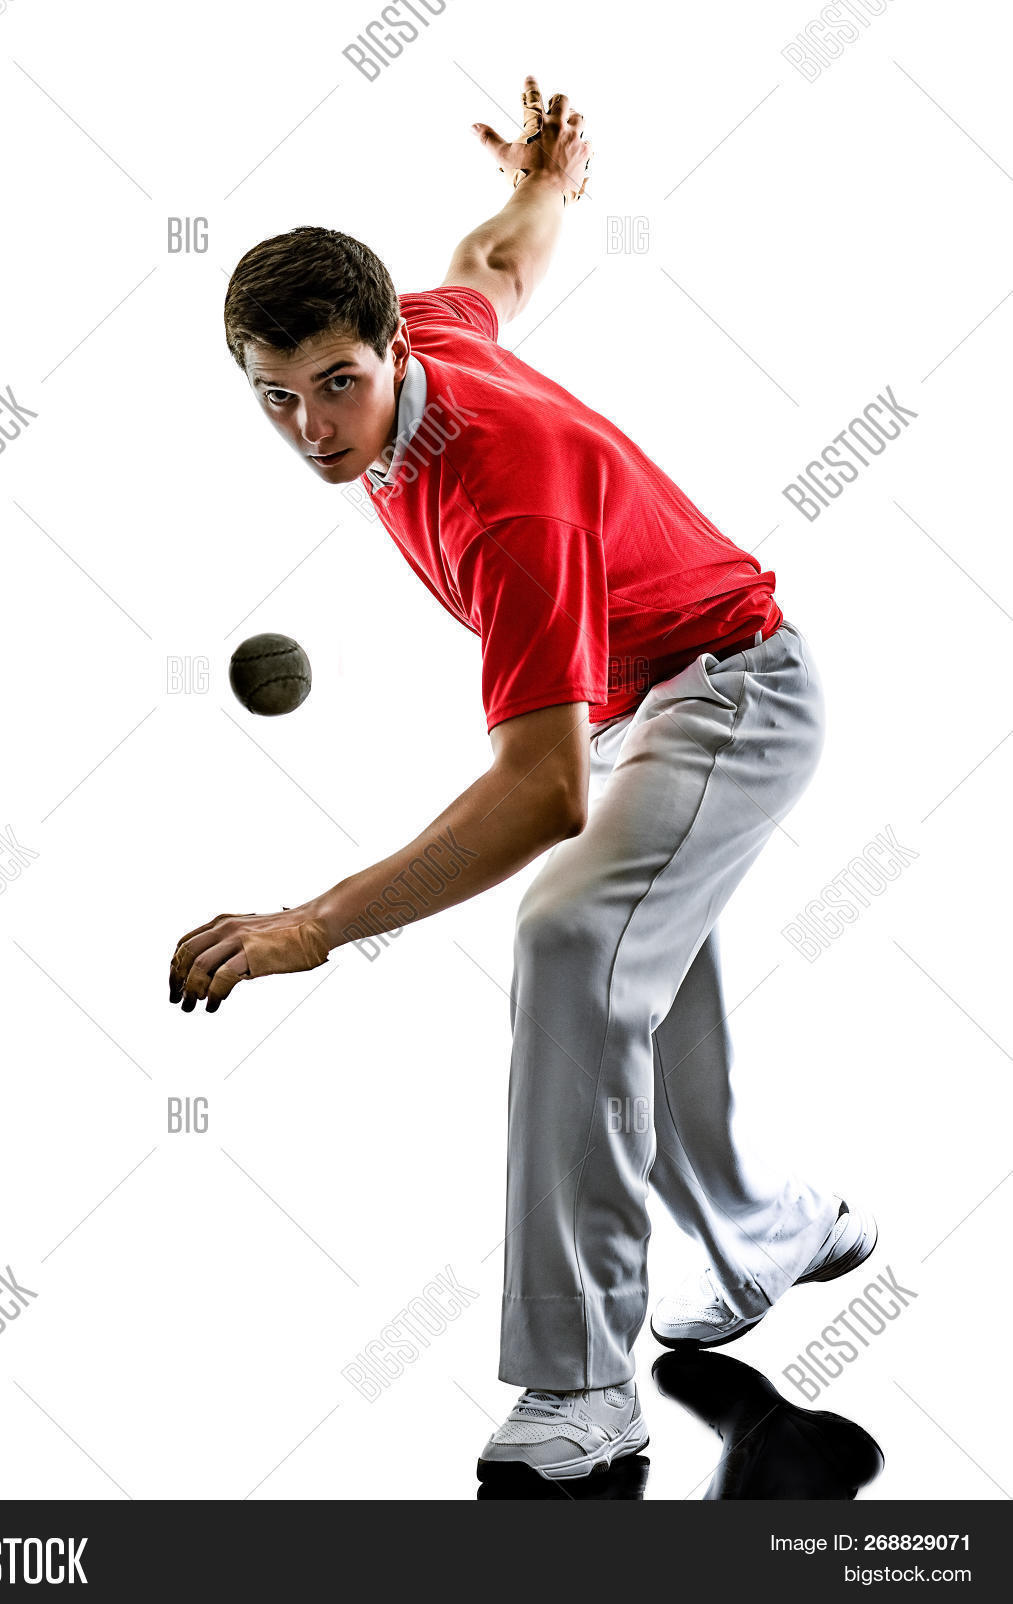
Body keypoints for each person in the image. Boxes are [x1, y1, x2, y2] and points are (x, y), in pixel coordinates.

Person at [169, 75, 877, 1482]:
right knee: (639, 972)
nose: (314, 426)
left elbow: (541, 792)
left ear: (384, 350)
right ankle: (771, 1227)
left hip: (733, 693)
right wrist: (546, 184)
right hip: (650, 706)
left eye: (337, 386)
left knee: (569, 936)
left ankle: (579, 1394)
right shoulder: (427, 328)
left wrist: (315, 922)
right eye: (277, 397)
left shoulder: (502, 490)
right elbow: (491, 267)